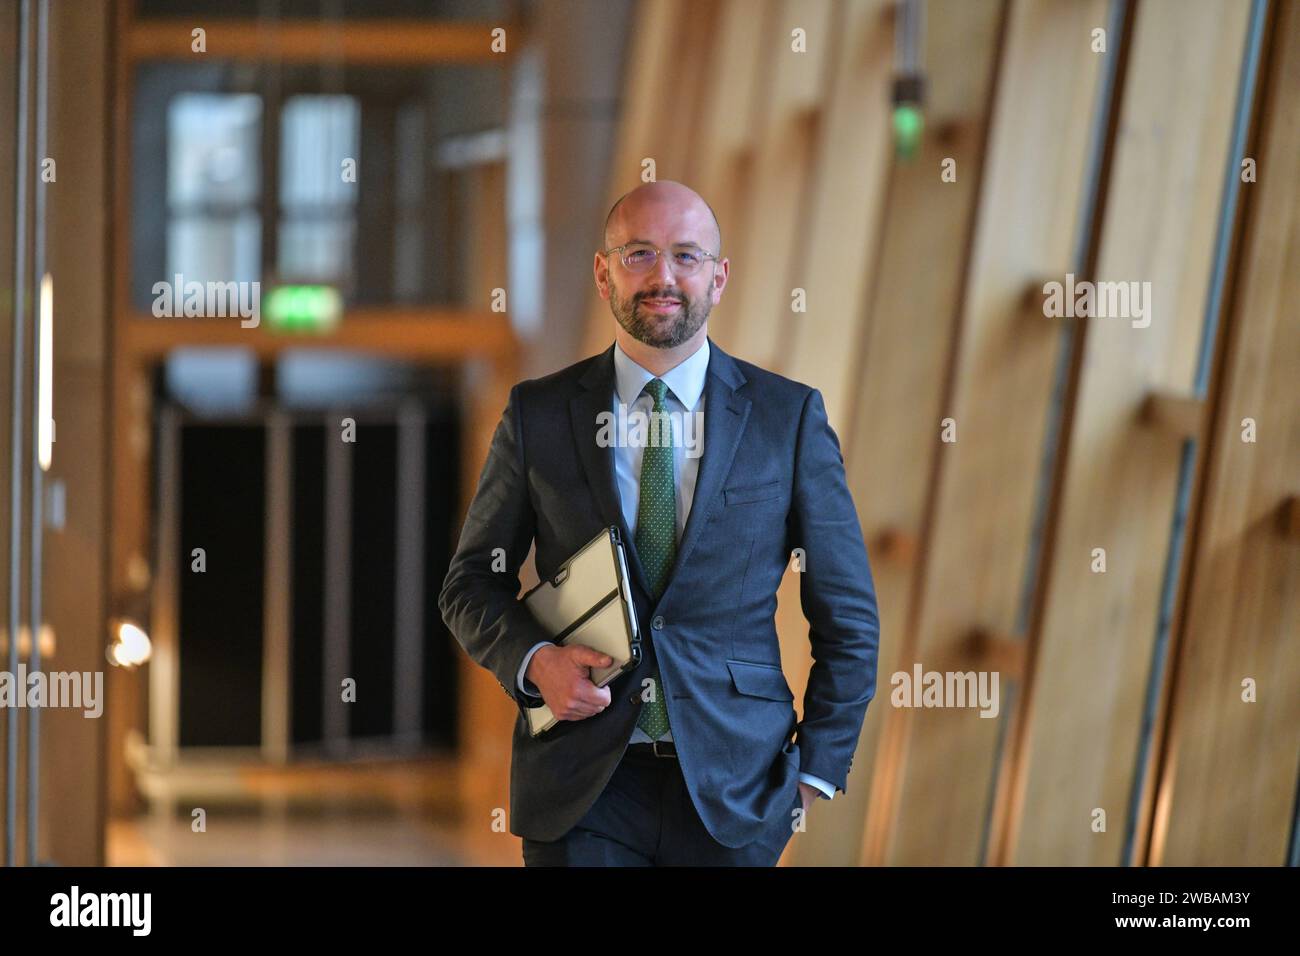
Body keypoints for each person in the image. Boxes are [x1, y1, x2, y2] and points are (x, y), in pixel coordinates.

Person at [439, 179, 880, 866]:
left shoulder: (785, 419)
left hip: (738, 795)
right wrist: (537, 663)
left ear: (719, 276)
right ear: (602, 271)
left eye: (686, 255)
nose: (664, 276)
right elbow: (469, 583)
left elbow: (848, 615)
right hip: (583, 792)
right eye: (639, 253)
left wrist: (812, 778)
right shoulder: (540, 415)